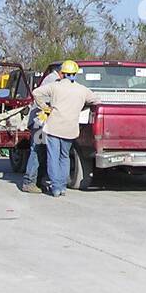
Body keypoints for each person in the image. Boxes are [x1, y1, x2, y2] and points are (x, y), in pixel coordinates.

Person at [32, 60, 97, 197]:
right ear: (75, 74)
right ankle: (62, 187)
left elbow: (36, 93)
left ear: (62, 73)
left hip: (54, 128)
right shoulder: (82, 90)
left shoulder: (54, 87)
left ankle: (55, 187)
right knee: (64, 157)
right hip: (70, 129)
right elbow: (96, 100)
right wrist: (81, 107)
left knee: (53, 157)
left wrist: (45, 107)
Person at [19, 65, 61, 193]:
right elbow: (40, 96)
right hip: (40, 121)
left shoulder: (52, 79)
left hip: (42, 121)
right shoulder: (53, 80)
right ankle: (29, 182)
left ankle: (38, 181)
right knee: (37, 150)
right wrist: (46, 107)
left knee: (41, 151)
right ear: (61, 72)